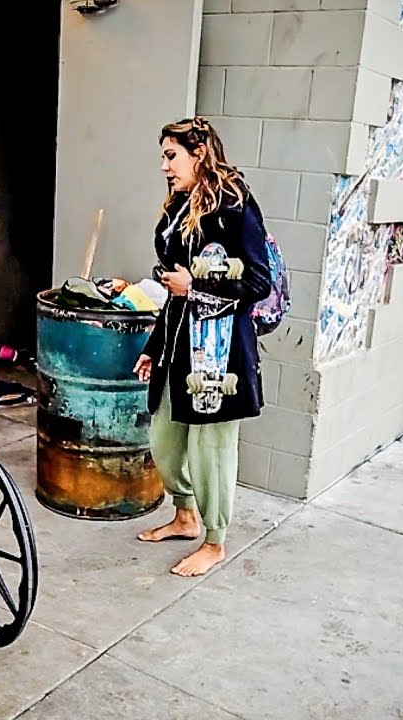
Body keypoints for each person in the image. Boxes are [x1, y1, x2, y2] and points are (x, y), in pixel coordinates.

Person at [132, 117, 272, 578]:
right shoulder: (179, 207)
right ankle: (185, 515)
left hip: (219, 356)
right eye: (162, 157)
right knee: (166, 442)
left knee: (211, 450)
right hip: (177, 345)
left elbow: (257, 280)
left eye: (171, 156)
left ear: (199, 153)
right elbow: (173, 289)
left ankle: (215, 541)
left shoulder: (235, 205)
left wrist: (196, 284)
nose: (164, 166)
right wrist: (155, 345)